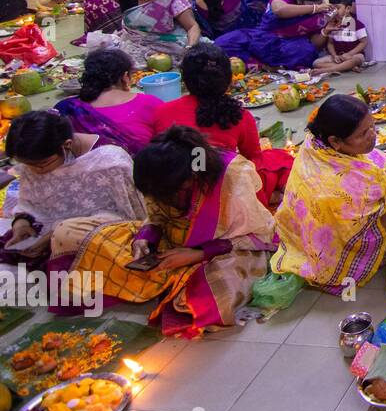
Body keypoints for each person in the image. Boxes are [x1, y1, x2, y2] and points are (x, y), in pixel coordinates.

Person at [51, 127, 275, 337]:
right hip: (170, 243)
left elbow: (258, 234)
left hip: (226, 249)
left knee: (214, 297)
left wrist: (198, 254)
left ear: (192, 178)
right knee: (67, 233)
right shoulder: (156, 171)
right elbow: (155, 216)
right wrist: (144, 238)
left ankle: (176, 283)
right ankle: (167, 279)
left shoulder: (232, 175)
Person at [273, 95, 386, 294]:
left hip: (335, 227)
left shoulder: (318, 144)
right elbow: (362, 241)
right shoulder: (332, 187)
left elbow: (374, 165)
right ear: (335, 141)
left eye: (372, 126)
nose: (373, 135)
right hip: (348, 249)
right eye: (363, 133)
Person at [151, 44, 294, 207]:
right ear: (229, 80)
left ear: (184, 81)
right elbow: (252, 157)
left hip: (179, 190)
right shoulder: (240, 115)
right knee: (277, 159)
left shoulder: (162, 111)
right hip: (225, 189)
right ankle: (271, 196)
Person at [1, 111, 144, 267]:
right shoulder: (37, 155)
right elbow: (29, 201)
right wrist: (21, 223)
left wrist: (56, 235)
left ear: (66, 145)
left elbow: (131, 217)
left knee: (70, 255)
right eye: (28, 166)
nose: (35, 171)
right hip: (49, 228)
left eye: (42, 165)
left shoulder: (109, 161)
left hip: (97, 232)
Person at [57, 0, 202, 65]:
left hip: (169, 43)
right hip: (134, 42)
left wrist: (189, 48)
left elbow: (192, 26)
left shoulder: (171, 0)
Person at [53, 48, 161, 154]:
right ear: (125, 77)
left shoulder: (68, 107)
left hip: (85, 170)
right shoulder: (149, 102)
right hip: (140, 169)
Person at [215, 0, 331, 70]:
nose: (318, 6)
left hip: (290, 43)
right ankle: (261, 65)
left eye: (320, 3)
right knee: (224, 43)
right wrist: (313, 8)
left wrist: (326, 31)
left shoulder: (320, 16)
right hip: (262, 36)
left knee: (307, 52)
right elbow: (279, 10)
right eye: (313, 3)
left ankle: (267, 66)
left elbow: (315, 43)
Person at [317, 0, 369, 73]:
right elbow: (330, 43)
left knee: (356, 59)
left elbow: (363, 42)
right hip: (338, 57)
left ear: (348, 8)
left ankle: (330, 69)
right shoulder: (332, 25)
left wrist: (350, 54)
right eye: (332, 8)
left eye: (337, 8)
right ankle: (347, 67)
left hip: (353, 56)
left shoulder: (357, 24)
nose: (334, 12)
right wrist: (334, 55)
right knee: (316, 63)